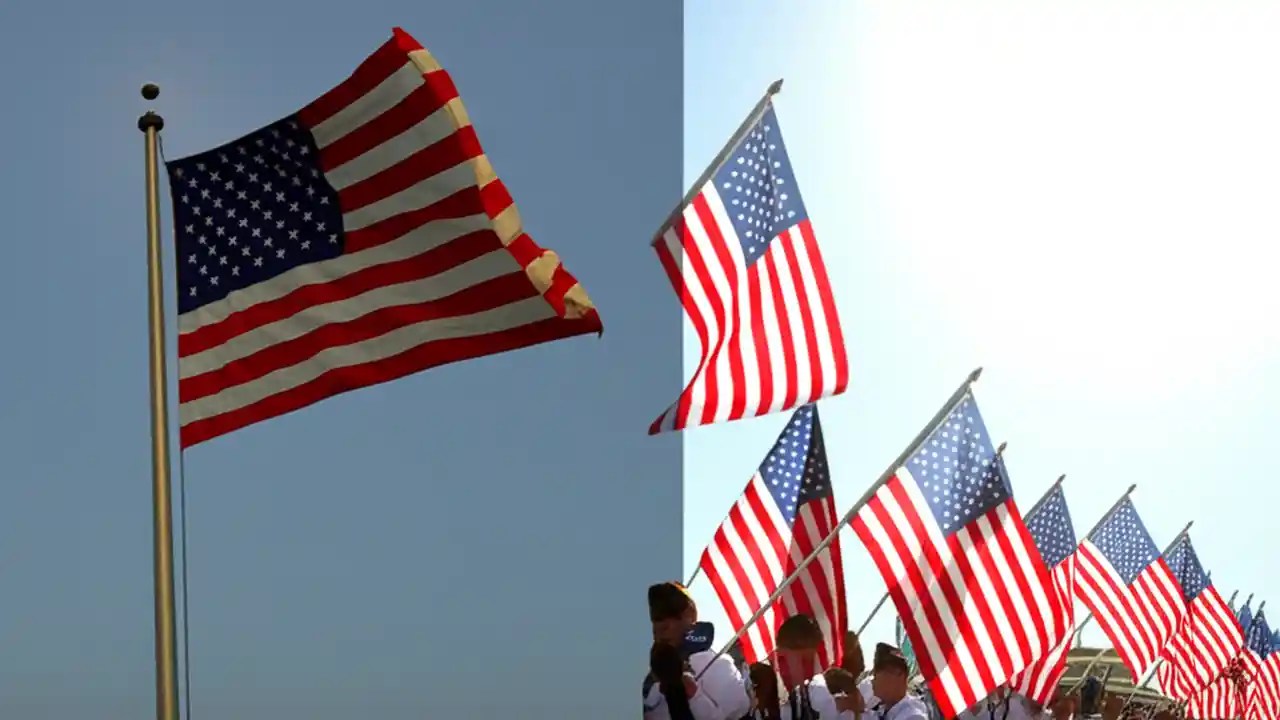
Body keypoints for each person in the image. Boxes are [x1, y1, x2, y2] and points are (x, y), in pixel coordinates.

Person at [644, 581, 752, 720]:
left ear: (690, 615)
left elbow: (737, 712)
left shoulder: (717, 665)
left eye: (669, 613)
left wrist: (694, 694)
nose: (660, 626)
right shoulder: (648, 682)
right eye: (654, 618)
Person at [866, 643, 929, 720]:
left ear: (899, 675)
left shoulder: (912, 716)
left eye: (877, 674)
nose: (873, 680)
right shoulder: (881, 711)